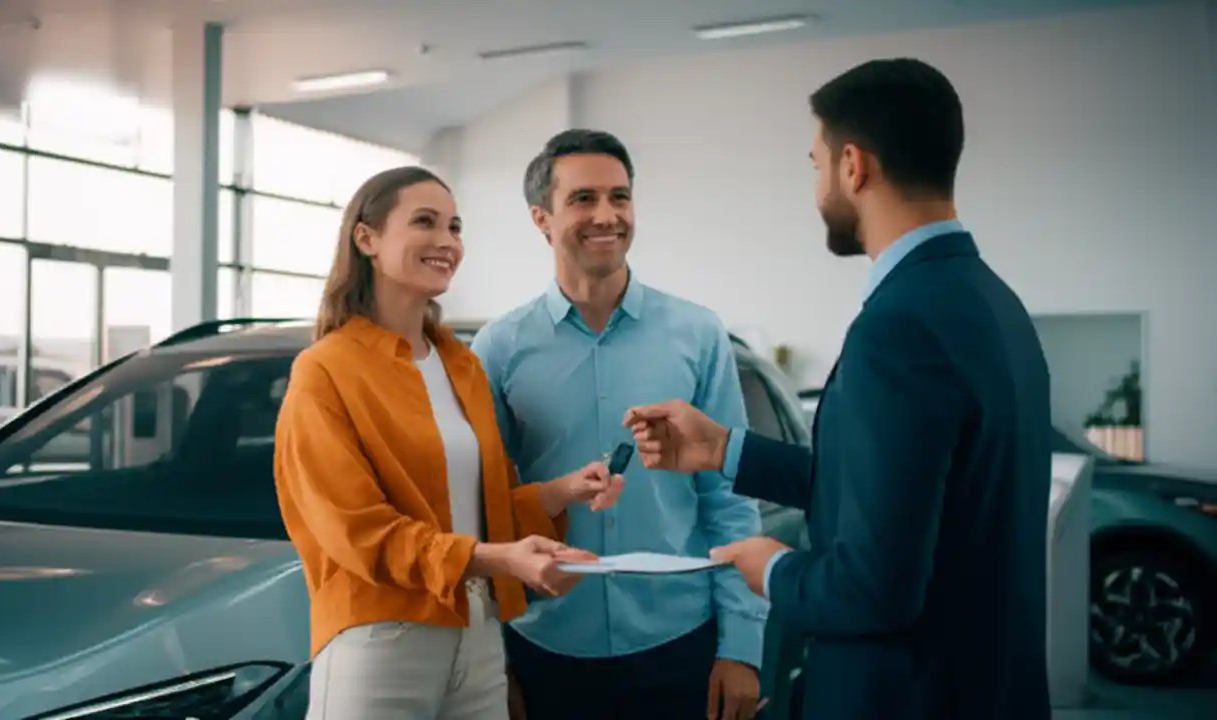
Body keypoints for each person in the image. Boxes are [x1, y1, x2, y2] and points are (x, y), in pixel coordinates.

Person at [625, 58, 1053, 720]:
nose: (818, 185)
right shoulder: (992, 302)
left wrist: (772, 569)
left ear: (853, 166)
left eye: (816, 163)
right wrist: (726, 450)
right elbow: (899, 496)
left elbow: (873, 589)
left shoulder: (898, 326)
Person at [273, 165, 626, 720]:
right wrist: (498, 559)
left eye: (454, 227)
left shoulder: (461, 364)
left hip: (476, 631)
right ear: (366, 238)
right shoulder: (325, 370)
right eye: (425, 222)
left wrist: (560, 492)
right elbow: (355, 532)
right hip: (381, 640)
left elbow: (482, 516)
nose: (447, 241)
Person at [470, 130, 768, 720]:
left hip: (681, 640)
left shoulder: (698, 334)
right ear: (541, 218)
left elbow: (730, 497)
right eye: (583, 198)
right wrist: (491, 662)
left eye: (620, 197)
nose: (607, 216)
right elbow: (484, 510)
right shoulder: (499, 348)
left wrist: (741, 646)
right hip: (546, 645)